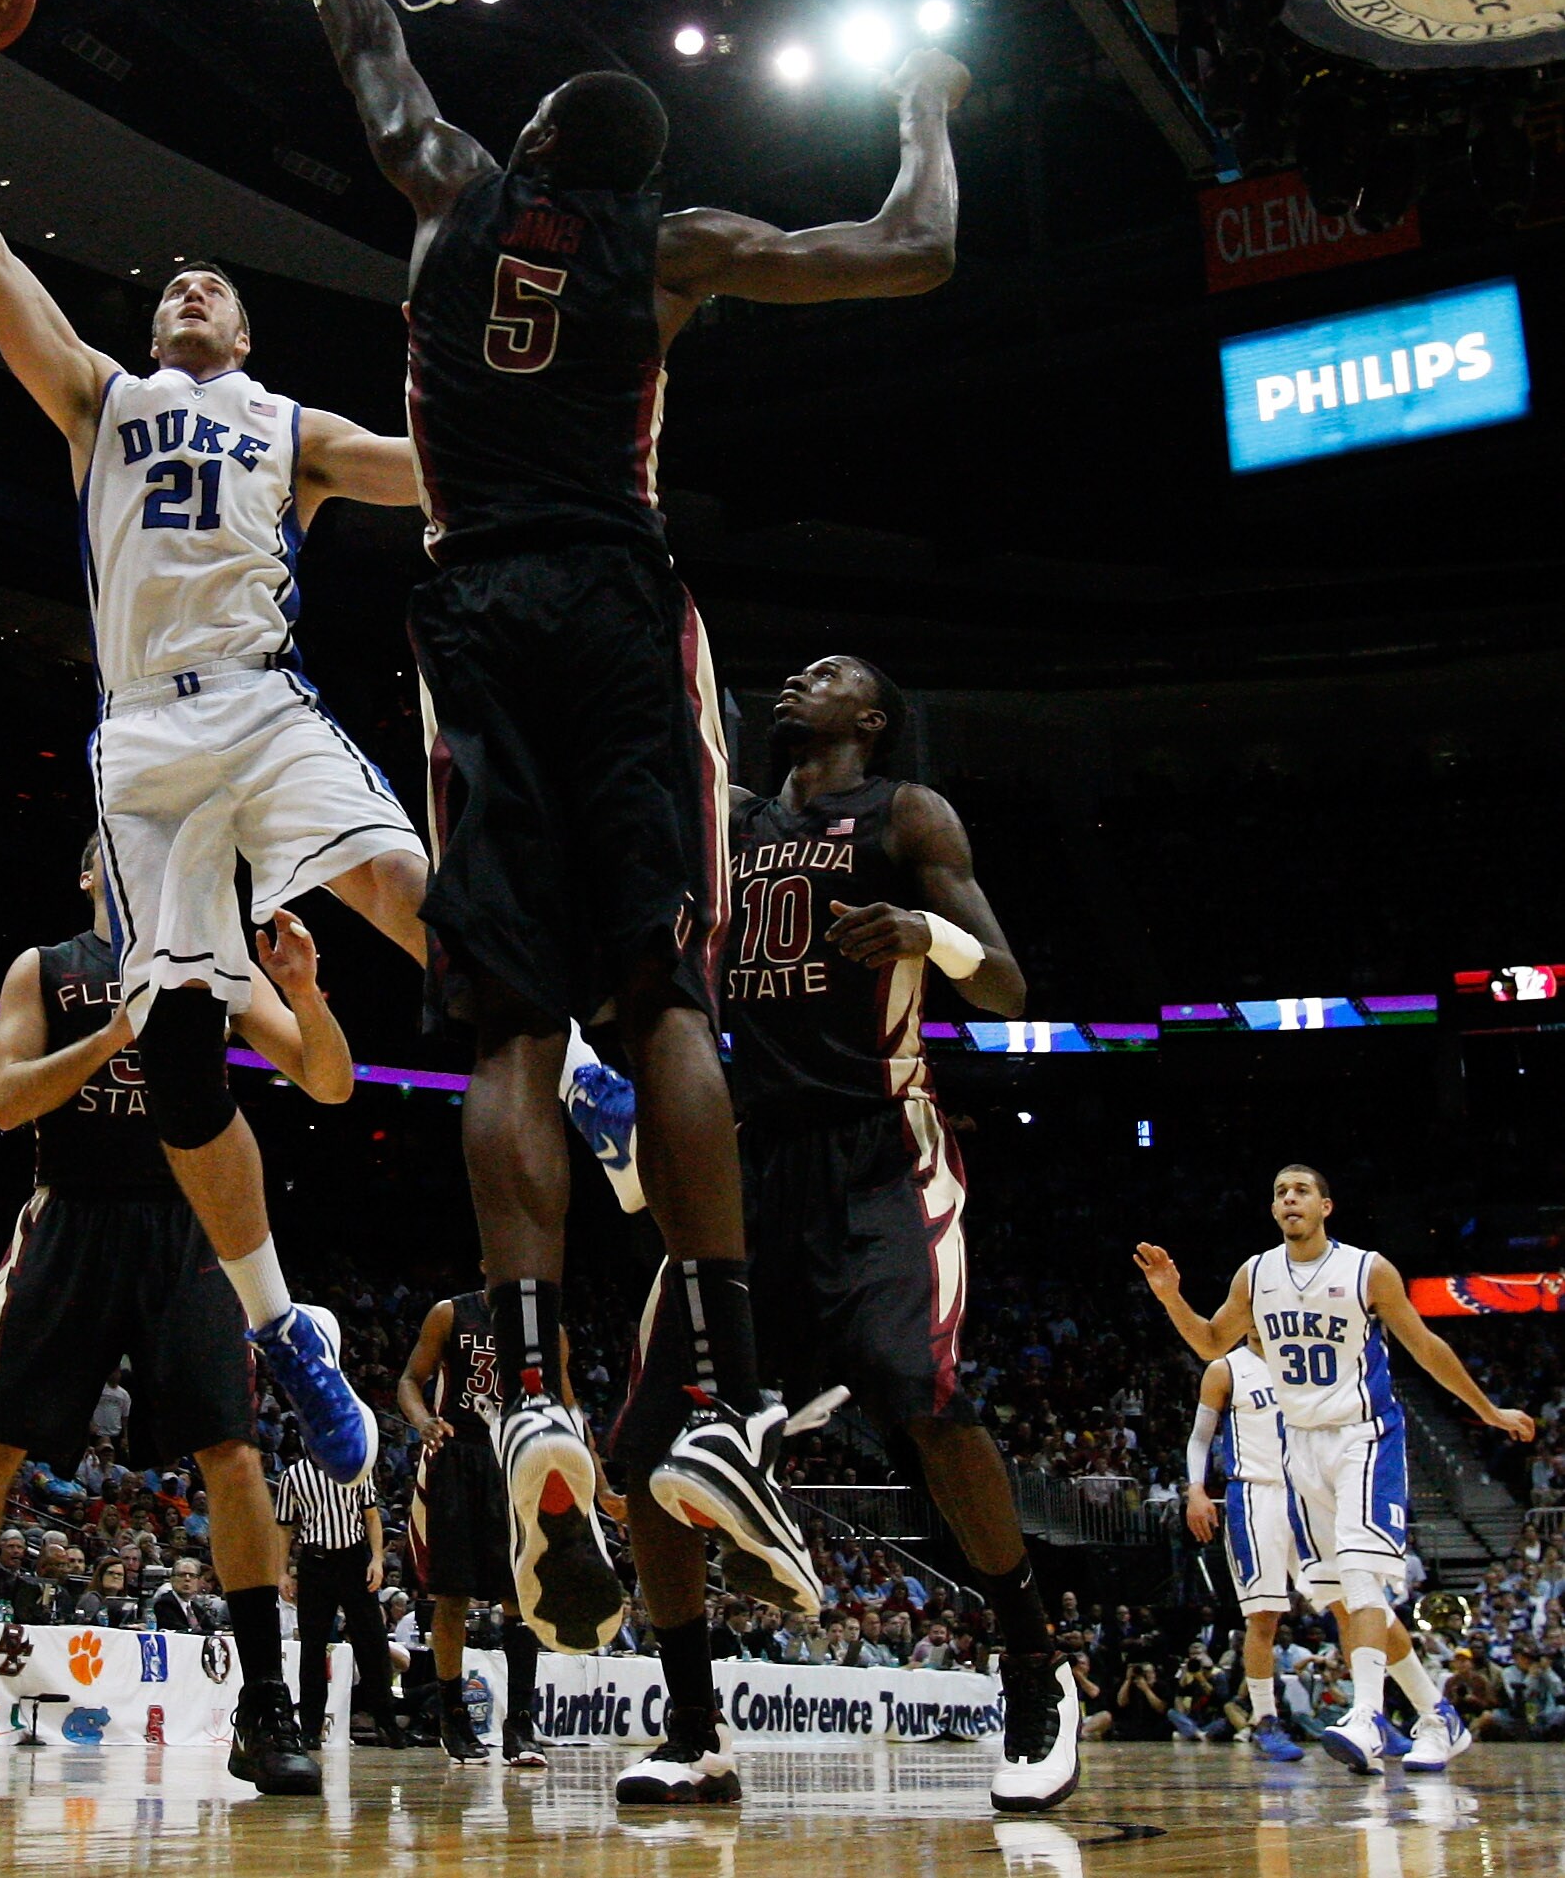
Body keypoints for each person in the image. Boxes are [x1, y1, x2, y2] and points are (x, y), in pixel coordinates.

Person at [268, 0, 968, 1745]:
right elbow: (908, 248)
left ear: (538, 138)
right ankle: (724, 1401)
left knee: (501, 1024)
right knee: (661, 994)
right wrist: (924, 111)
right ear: (641, 177)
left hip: (470, 611)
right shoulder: (674, 251)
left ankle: (532, 1390)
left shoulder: (449, 190)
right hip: (611, 598)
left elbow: (374, 60)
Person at [0, 0, 429, 1483]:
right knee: (186, 1065)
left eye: (214, 286)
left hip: (260, 696)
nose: (191, 289)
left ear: (245, 332)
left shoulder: (289, 425)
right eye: (174, 283)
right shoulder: (100, 400)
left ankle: (582, 1072)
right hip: (139, 746)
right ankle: (287, 1336)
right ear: (151, 324)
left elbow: (435, 475)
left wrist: (559, 404)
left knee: (396, 881)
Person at [573, 657, 1072, 1812]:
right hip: (746, 1160)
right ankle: (693, 1729)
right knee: (647, 1449)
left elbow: (1005, 984)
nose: (802, 677)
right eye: (796, 672)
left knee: (922, 1395)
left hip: (881, 1146)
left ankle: (1036, 1667)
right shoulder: (730, 823)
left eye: (830, 672)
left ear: (873, 716)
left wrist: (921, 937)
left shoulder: (906, 813)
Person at [0, 842, 358, 1796]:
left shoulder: (214, 959)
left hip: (192, 1224)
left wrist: (304, 990)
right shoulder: (46, 968)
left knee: (233, 1452)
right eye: (116, 847)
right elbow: (5, 1102)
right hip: (72, 1214)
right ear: (93, 871)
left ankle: (265, 1704)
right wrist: (112, 1037)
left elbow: (330, 1080)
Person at [1137, 1164, 1535, 1775]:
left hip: (1363, 1435)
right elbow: (1213, 1342)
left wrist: (1487, 1409)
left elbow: (1426, 1347)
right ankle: (1437, 1716)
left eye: (1300, 1191)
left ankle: (1370, 1715)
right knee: (1346, 1599)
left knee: (1360, 1572)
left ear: (1326, 1206)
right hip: (1301, 1446)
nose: (1289, 1199)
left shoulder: (1367, 1269)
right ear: (1273, 1210)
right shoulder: (1256, 1274)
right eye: (1279, 1192)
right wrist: (1171, 1297)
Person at [396, 1287, 623, 1767]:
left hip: (519, 1460)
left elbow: (568, 1410)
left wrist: (600, 1485)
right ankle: (453, 1715)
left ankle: (520, 1723)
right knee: (451, 1594)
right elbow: (410, 1380)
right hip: (456, 1454)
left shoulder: (548, 1332)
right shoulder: (450, 1313)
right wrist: (422, 1421)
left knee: (520, 1595)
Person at [1181, 1337, 1302, 1760]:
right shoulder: (1227, 1369)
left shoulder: (1304, 1355)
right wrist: (1196, 1490)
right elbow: (1199, 1439)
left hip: (1308, 1492)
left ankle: (1369, 1714)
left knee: (1348, 1602)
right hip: (1256, 1495)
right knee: (1264, 1615)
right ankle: (1265, 1718)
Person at [275, 1447, 406, 1752]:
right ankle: (310, 1729)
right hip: (314, 1563)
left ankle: (387, 1724)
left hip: (354, 1560)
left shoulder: (354, 1466)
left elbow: (371, 1517)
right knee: (312, 1648)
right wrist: (281, 1571)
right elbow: (284, 1528)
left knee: (372, 1644)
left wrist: (376, 1559)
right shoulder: (292, 1476)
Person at [155, 1555, 225, 1633]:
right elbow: (181, 1631)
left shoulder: (196, 1608)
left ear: (198, 1581)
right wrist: (219, 1633)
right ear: (172, 1580)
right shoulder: (165, 1603)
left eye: (192, 1576)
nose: (187, 1579)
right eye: (182, 1575)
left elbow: (211, 1628)